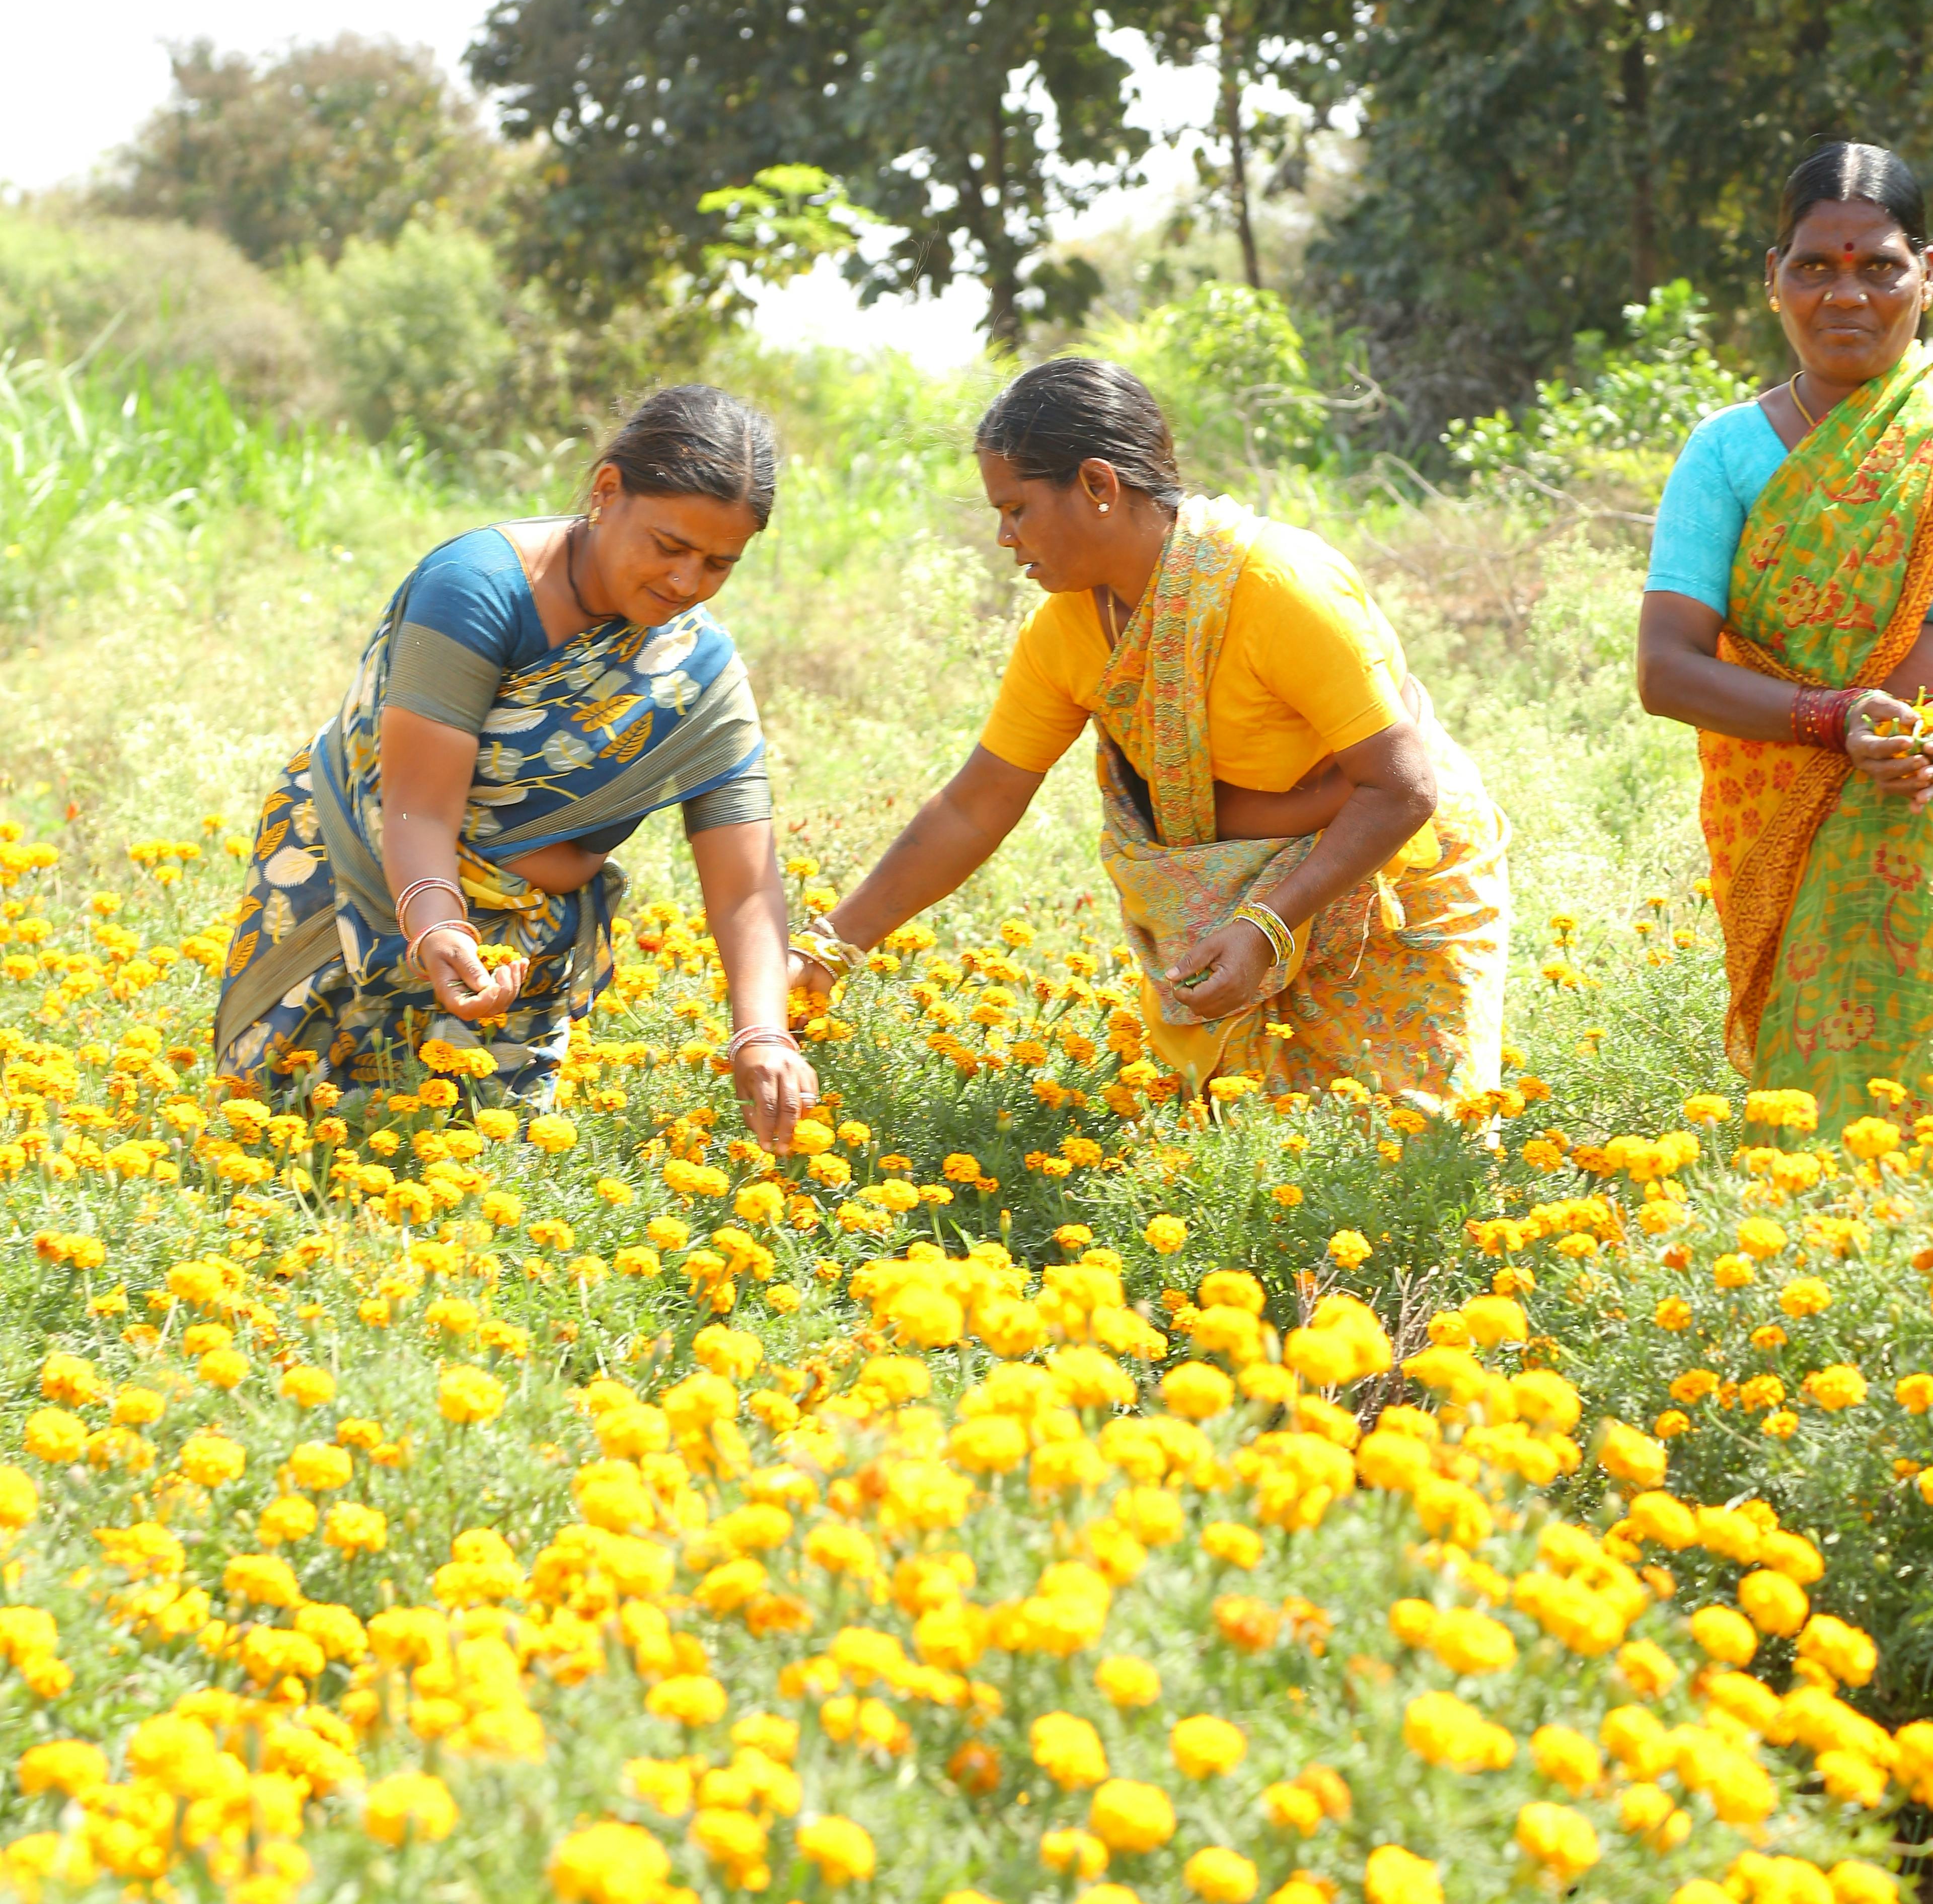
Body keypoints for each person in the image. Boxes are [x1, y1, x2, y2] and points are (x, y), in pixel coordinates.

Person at [794, 359, 1511, 1107]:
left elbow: (1402, 788)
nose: (1005, 538)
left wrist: (1266, 923)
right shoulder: (1066, 634)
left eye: (1017, 509)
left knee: (1416, 1161)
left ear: (1100, 487)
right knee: (1257, 1179)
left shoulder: (1276, 585)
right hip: (1250, 916)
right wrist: (830, 945)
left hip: (1400, 885)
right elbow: (977, 805)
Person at [214, 383, 814, 1147]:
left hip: (519, 964)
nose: (686, 584)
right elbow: (418, 809)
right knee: (275, 1143)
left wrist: (761, 1033)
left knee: (473, 1183)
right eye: (669, 547)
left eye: (719, 564)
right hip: (356, 891)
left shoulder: (695, 667)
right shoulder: (472, 590)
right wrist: (438, 927)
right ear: (606, 491)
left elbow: (744, 883)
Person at [1637, 142, 1933, 1119]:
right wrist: (1838, 718)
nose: (1845, 294)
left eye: (1878, 265)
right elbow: (1668, 670)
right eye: (1815, 266)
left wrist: (1908, 727)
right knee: (1829, 1122)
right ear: (1774, 281)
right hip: (1795, 814)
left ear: (1925, 274)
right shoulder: (1725, 452)